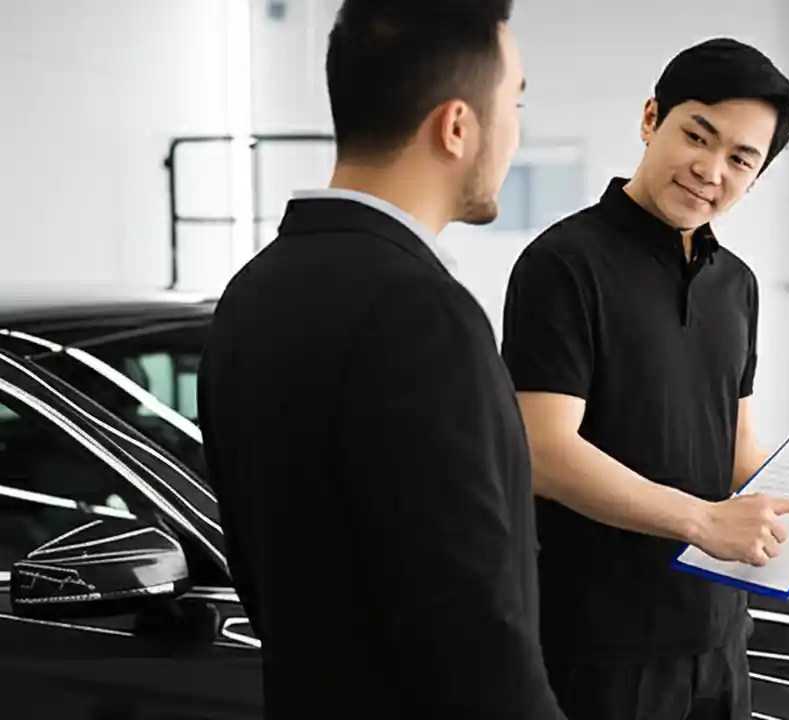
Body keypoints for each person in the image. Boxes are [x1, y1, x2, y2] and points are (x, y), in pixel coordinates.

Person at [197, 1, 564, 718]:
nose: (517, 131)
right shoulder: (421, 314)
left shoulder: (253, 292)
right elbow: (475, 636)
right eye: (514, 102)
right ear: (457, 126)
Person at [501, 38, 789, 720]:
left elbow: (737, 456)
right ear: (651, 119)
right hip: (599, 650)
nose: (711, 170)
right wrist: (703, 520)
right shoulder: (563, 264)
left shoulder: (737, 284)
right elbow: (542, 451)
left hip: (719, 641)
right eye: (697, 136)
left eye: (741, 159)